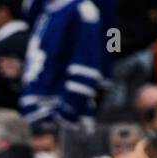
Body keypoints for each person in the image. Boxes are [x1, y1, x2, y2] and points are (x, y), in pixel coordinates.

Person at [19, 0, 106, 128]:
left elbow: (85, 72)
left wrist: (62, 119)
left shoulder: (82, 11)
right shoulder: (46, 11)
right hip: (34, 119)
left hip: (59, 127)